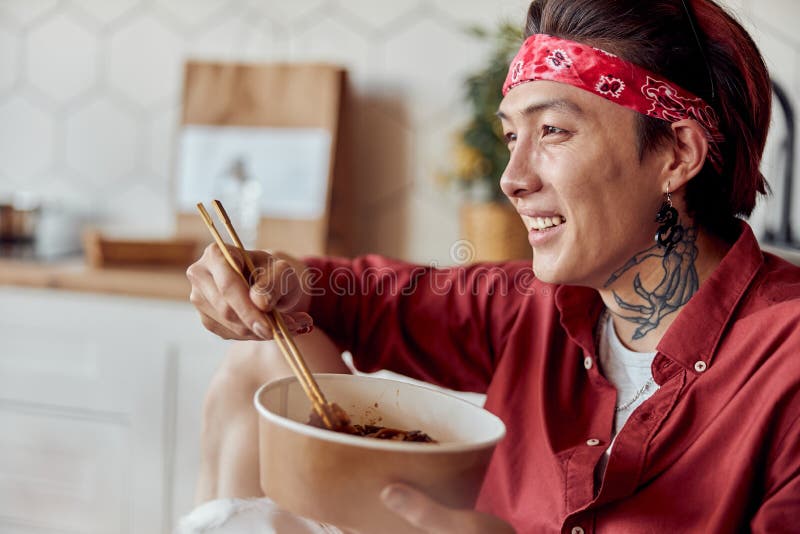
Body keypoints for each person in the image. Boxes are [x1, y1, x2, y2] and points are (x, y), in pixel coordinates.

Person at [180, 0, 800, 532]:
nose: (512, 179)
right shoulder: (526, 307)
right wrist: (266, 276)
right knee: (263, 353)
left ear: (677, 153)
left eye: (553, 131)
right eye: (511, 137)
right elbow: (343, 294)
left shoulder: (785, 359)